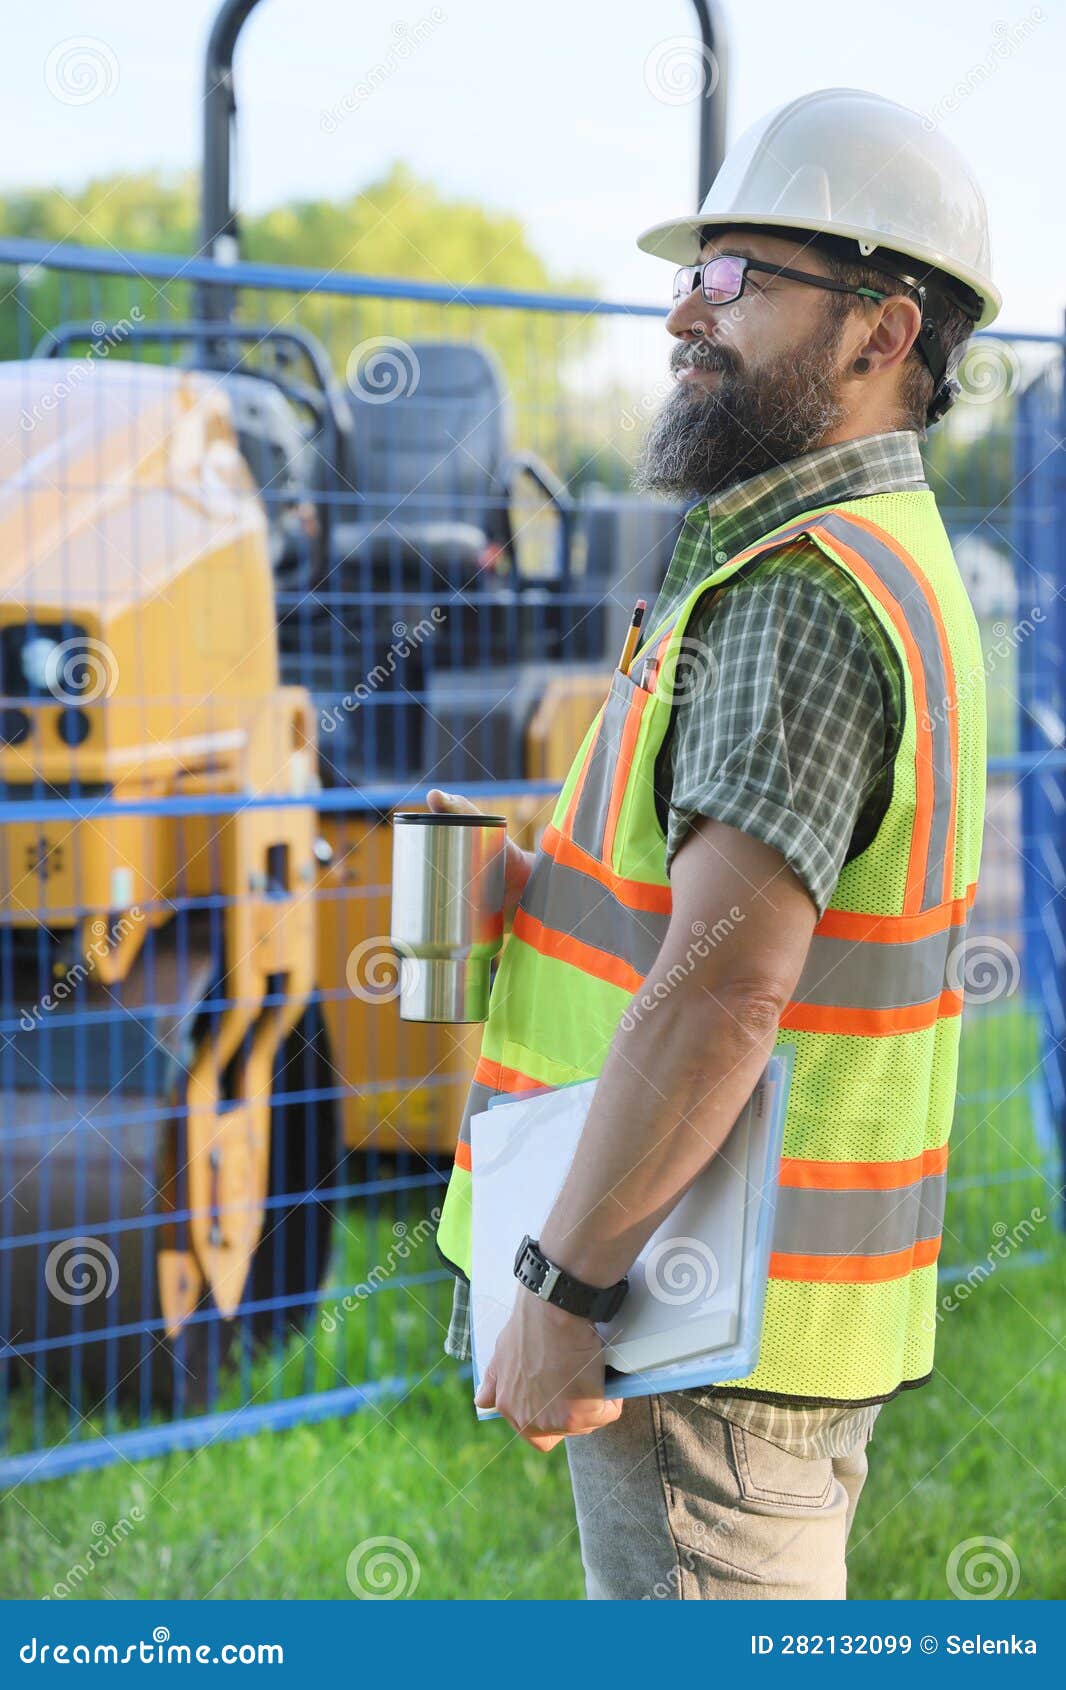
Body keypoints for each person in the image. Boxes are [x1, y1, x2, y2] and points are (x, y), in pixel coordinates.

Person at [431, 87, 998, 1600]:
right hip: (748, 1307)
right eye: (692, 271)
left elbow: (722, 994)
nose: (685, 307)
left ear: (881, 333)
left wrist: (563, 1283)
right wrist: (536, 895)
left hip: (694, 1326)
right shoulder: (860, 555)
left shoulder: (802, 591)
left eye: (736, 275)